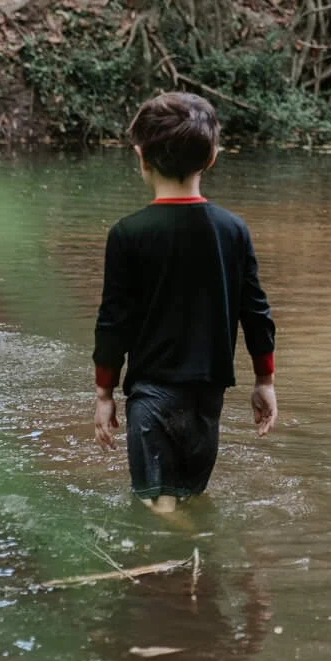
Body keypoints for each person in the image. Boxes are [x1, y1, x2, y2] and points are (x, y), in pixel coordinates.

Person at [93, 92, 279, 513]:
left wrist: (104, 392)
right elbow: (256, 311)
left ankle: (183, 560)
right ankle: (198, 572)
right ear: (212, 157)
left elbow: (113, 321)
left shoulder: (128, 234)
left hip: (152, 393)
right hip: (208, 396)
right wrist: (264, 380)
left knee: (159, 506)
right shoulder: (233, 230)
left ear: (141, 158)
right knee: (191, 496)